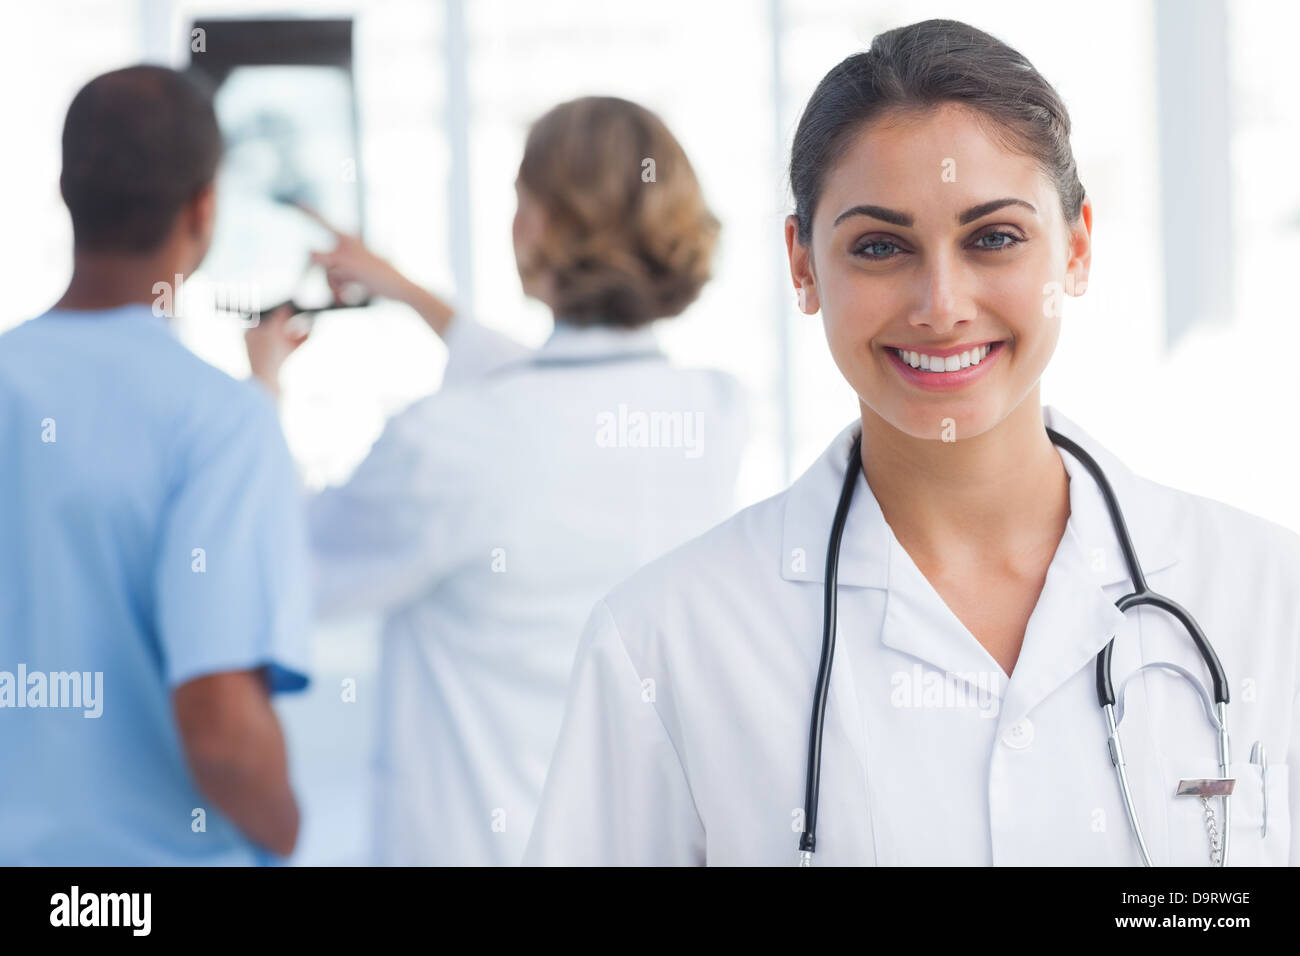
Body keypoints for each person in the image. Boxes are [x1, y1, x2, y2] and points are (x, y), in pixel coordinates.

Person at [522, 19, 1300, 866]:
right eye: (880, 247)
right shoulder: (665, 642)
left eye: (994, 237)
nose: (940, 303)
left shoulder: (1265, 598)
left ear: (1076, 248)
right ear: (804, 266)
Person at [246, 96, 748, 866]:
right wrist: (408, 292)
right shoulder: (712, 414)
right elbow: (561, 394)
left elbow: (291, 570)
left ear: (538, 224)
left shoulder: (450, 439)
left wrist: (264, 394)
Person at [0, 66, 311, 864]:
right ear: (203, 208)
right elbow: (223, 735)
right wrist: (286, 829)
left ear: (67, 193)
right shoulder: (219, 425)